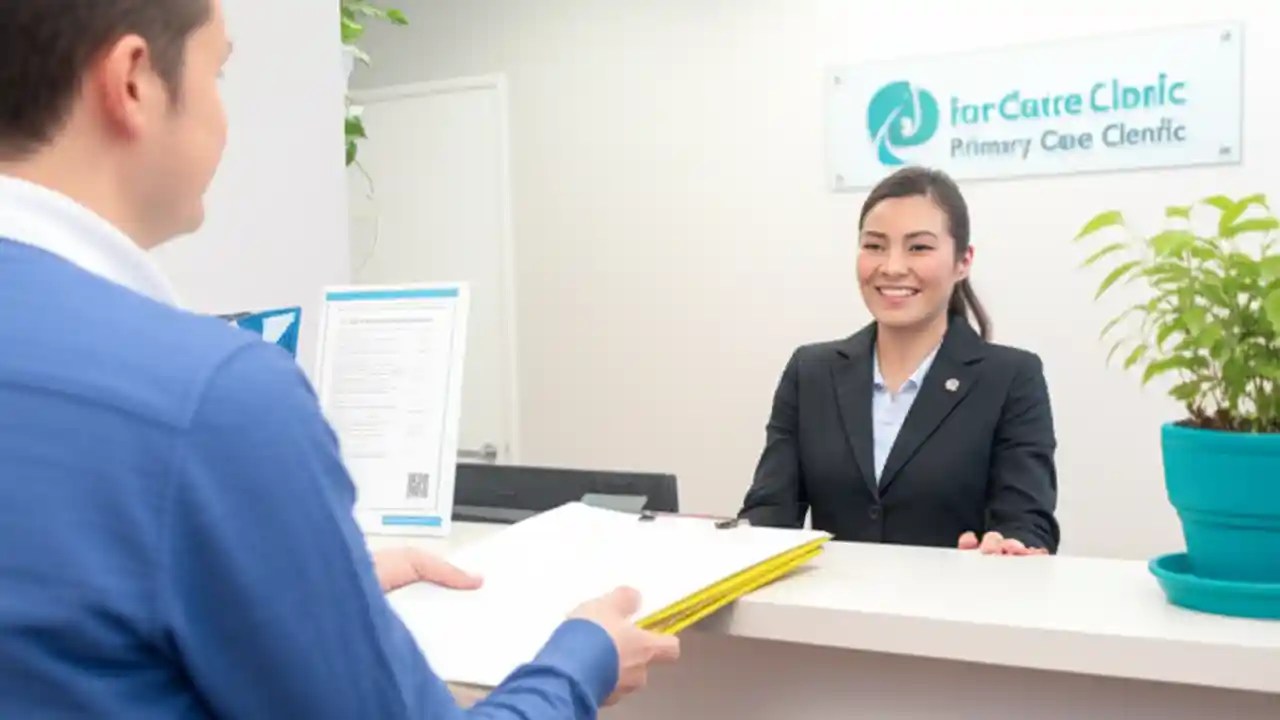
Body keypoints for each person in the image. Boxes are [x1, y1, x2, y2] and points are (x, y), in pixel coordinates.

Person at [0, 2, 677, 718]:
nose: (226, 119)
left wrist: (310, 587)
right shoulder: (209, 399)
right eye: (218, 72)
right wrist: (580, 660)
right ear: (134, 81)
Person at [737, 166, 1059, 555]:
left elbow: (1027, 521)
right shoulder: (811, 372)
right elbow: (770, 514)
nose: (891, 267)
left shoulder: (1012, 378)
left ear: (963, 261)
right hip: (829, 610)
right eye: (874, 246)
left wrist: (1010, 546)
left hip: (954, 607)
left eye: (918, 247)